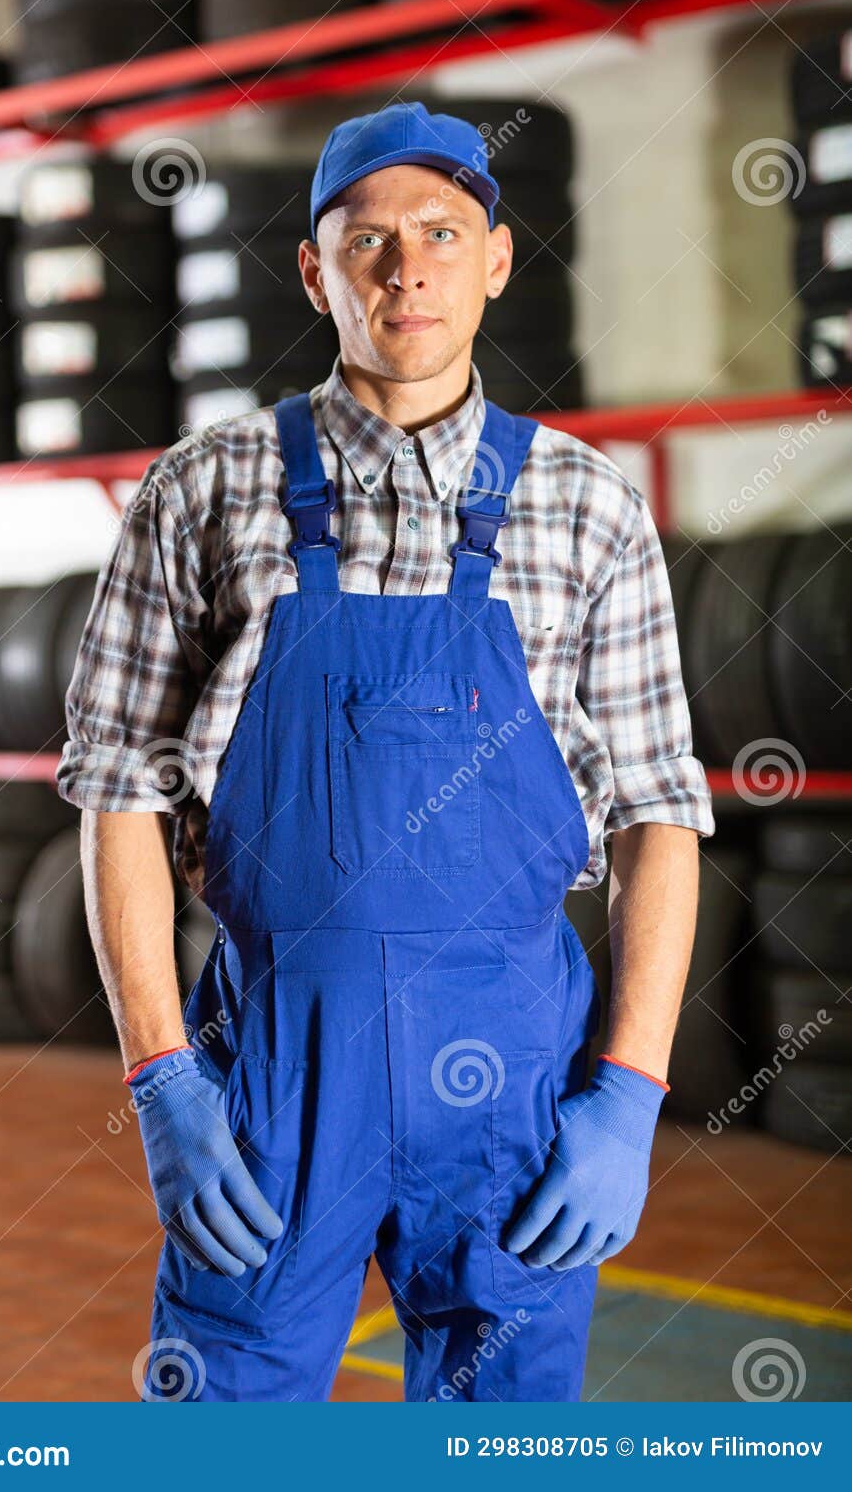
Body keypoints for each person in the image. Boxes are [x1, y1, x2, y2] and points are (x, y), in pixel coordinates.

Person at [56, 100, 715, 1403]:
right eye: (365, 240)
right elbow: (117, 793)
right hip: (276, 1073)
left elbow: (655, 811)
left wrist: (630, 1093)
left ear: (496, 258)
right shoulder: (201, 492)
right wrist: (161, 1081)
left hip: (510, 1088)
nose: (405, 268)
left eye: (440, 232)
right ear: (313, 269)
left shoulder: (588, 508)